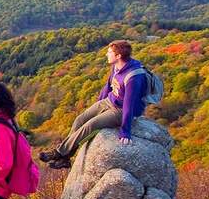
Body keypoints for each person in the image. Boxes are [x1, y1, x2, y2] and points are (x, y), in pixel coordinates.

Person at [39, 40, 147, 169]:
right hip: (109, 101)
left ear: (118, 56)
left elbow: (129, 105)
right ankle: (65, 159)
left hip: (121, 110)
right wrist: (98, 106)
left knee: (90, 125)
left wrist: (125, 131)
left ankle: (58, 153)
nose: (106, 54)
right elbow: (108, 86)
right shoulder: (117, 67)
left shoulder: (133, 76)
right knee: (80, 120)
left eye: (109, 52)